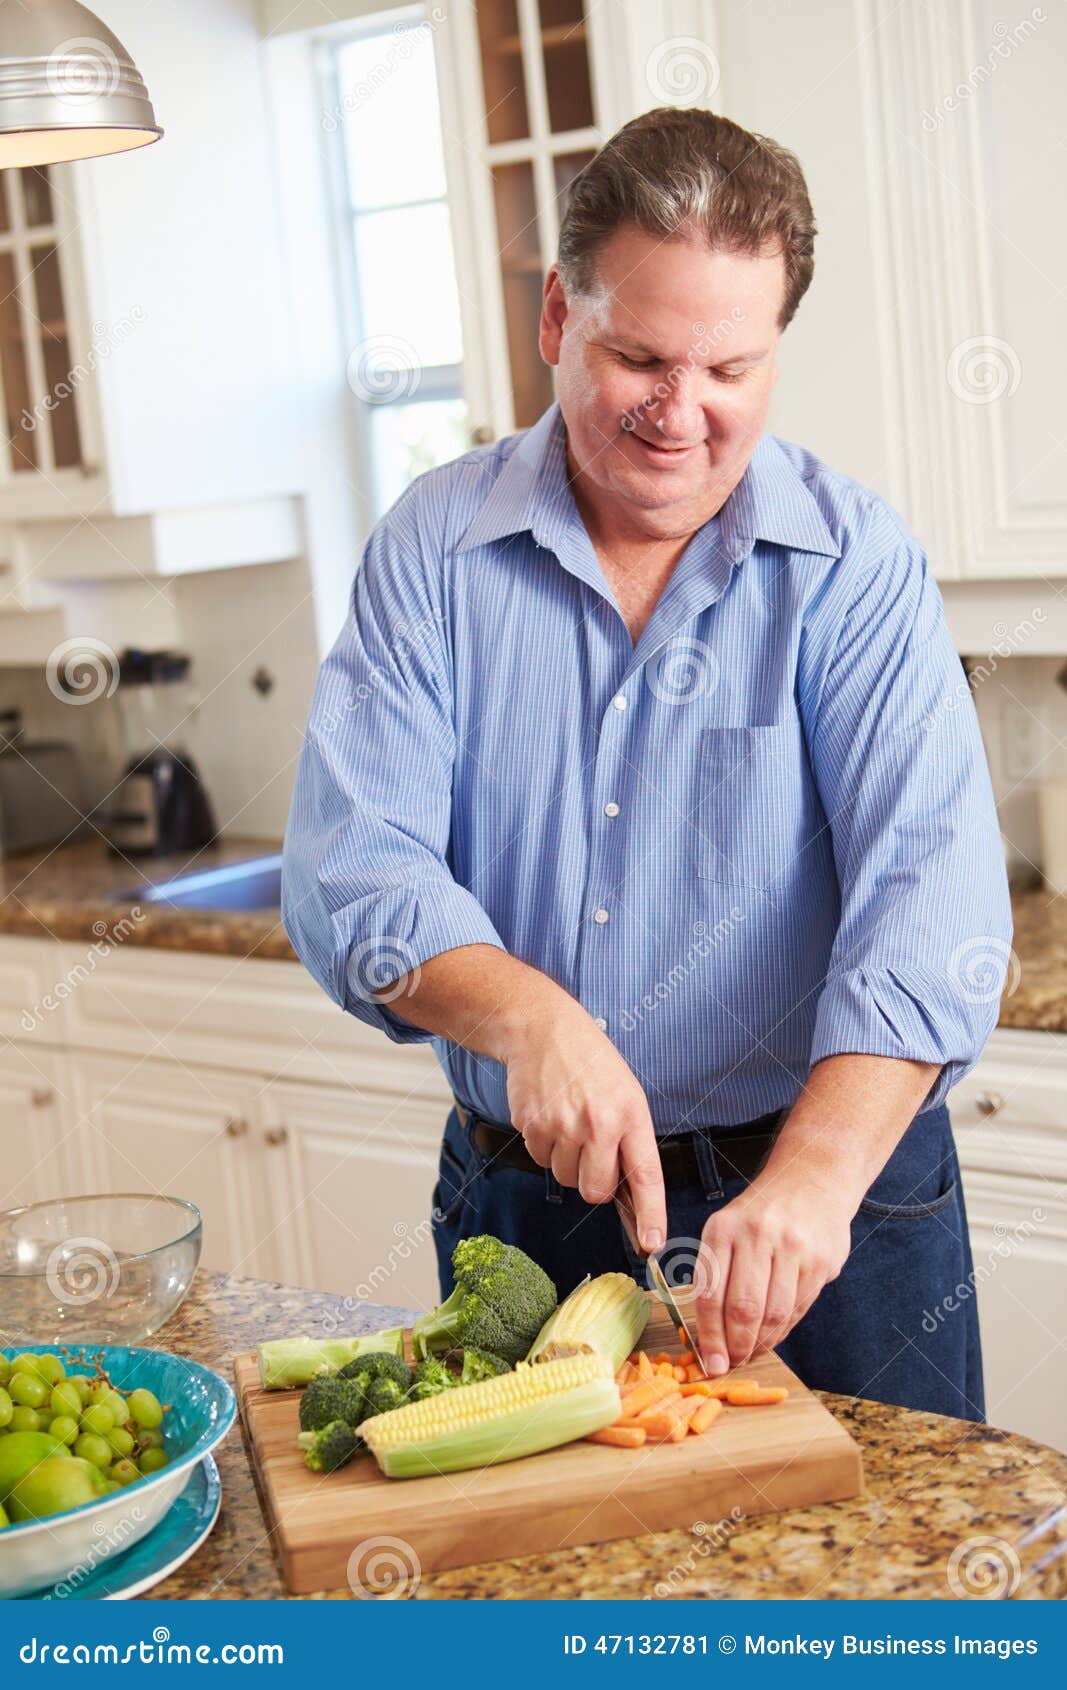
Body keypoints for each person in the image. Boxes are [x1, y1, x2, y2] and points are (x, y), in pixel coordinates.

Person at [282, 106, 1012, 1421]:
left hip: (830, 1210)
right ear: (559, 318)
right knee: (551, 1604)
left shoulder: (857, 566)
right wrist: (533, 1019)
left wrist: (812, 1181)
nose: (684, 413)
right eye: (641, 358)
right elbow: (350, 869)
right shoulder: (431, 554)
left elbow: (936, 909)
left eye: (731, 367)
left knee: (895, 1596)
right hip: (533, 1207)